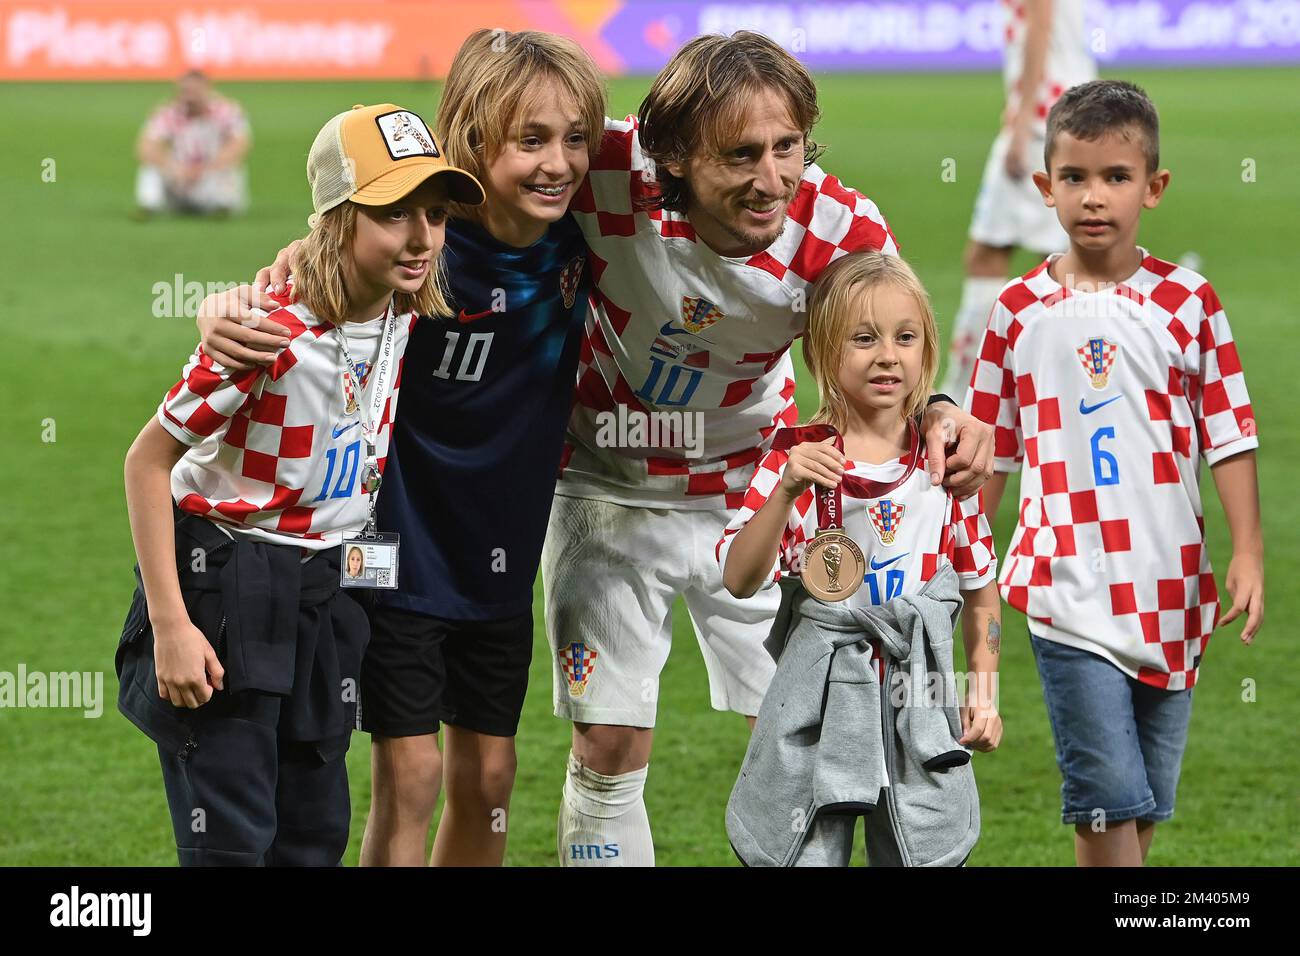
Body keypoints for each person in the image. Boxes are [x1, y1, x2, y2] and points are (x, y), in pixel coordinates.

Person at [193, 30, 995, 868]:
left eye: (786, 147)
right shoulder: (601, 165)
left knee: (813, 734)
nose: (770, 180)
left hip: (760, 490)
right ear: (672, 153)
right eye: (740, 155)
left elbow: (891, 340)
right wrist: (259, 290)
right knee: (604, 747)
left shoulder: (836, 228)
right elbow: (393, 215)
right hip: (604, 486)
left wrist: (942, 408)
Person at [193, 30, 606, 867]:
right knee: (410, 773)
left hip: (501, 554)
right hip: (390, 552)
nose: (557, 163)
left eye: (573, 140)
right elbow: (312, 274)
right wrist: (232, 302)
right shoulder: (423, 252)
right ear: (472, 141)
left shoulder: (584, 241)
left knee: (490, 776)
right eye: (529, 141)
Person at [117, 102, 484, 865]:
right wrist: (172, 626)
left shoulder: (404, 314)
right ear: (339, 218)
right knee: (231, 842)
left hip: (327, 589)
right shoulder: (263, 333)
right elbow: (147, 462)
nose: (422, 237)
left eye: (437, 213)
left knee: (314, 837)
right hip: (226, 590)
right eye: (393, 213)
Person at [965, 79, 1264, 866]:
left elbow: (1229, 434)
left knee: (1140, 812)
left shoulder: (1189, 302)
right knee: (1106, 813)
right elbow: (991, 450)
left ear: (1153, 188)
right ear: (1044, 188)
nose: (1093, 197)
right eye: (1074, 178)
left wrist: (1248, 551)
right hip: (1064, 593)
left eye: (1116, 177)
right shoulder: (1017, 312)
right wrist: (957, 565)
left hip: (1172, 592)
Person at [718, 252, 1003, 862]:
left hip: (917, 691)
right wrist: (787, 491)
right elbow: (739, 579)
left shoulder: (944, 465)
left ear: (928, 350)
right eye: (863, 338)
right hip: (821, 691)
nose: (886, 356)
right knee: (804, 848)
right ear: (822, 352)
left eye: (905, 338)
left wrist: (983, 690)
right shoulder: (795, 456)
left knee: (920, 849)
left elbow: (980, 589)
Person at [941, 0, 1096, 400]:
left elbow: (1039, 28)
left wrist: (1023, 116)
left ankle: (966, 394)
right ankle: (1073, 388)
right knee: (1066, 264)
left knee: (989, 257)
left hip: (1044, 118)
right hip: (1073, 107)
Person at [134, 70, 252, 219]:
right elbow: (146, 147)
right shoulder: (169, 113)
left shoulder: (226, 112)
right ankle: (148, 206)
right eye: (185, 91)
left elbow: (240, 145)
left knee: (231, 168)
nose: (190, 97)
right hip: (179, 178)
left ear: (207, 89)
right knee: (150, 168)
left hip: (210, 179)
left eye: (194, 91)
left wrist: (206, 168)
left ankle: (223, 207)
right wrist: (174, 167)